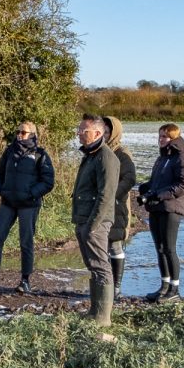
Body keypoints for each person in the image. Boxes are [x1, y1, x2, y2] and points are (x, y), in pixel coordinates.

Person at [0, 121, 54, 294]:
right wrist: (0, 189)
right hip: (8, 203)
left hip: (28, 205)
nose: (19, 135)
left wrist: (31, 193)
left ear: (33, 135)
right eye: (18, 131)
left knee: (26, 243)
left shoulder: (40, 155)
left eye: (24, 132)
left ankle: (25, 281)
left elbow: (48, 181)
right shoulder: (9, 151)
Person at [72, 113, 119, 326]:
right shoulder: (91, 154)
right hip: (84, 218)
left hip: (95, 221)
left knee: (101, 265)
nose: (79, 134)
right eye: (80, 130)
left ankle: (103, 317)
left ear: (98, 133)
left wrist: (94, 224)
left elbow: (106, 196)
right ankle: (94, 311)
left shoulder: (106, 157)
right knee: (92, 265)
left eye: (84, 131)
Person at [141, 123, 184, 302]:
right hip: (156, 207)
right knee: (160, 248)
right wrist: (146, 189)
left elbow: (183, 186)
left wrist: (159, 194)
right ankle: (164, 286)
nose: (161, 139)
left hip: (171, 208)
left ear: (174, 139)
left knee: (170, 249)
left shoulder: (181, 158)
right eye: (160, 136)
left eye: (165, 136)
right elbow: (156, 182)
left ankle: (175, 289)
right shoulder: (162, 158)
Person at [104, 115, 139, 301]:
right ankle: (105, 285)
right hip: (101, 204)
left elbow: (130, 178)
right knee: (101, 246)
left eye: (108, 131)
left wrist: (112, 195)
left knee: (115, 244)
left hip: (117, 205)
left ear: (114, 132)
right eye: (103, 131)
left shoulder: (122, 152)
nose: (104, 134)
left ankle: (116, 288)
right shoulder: (97, 151)